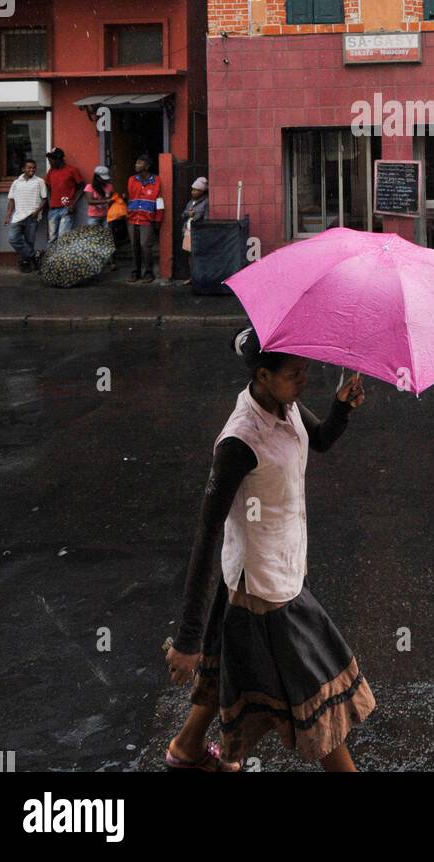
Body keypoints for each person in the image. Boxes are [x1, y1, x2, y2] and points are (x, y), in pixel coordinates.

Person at [164, 329, 375, 772]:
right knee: (318, 688)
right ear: (262, 375)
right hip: (265, 591)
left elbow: (318, 439)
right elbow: (207, 534)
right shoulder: (240, 442)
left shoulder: (286, 406)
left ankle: (185, 750)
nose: (304, 379)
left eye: (305, 370)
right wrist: (187, 638)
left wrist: (341, 407)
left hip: (282, 570)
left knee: (237, 673)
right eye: (295, 373)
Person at [4, 158, 47, 272]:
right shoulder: (16, 182)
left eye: (33, 168)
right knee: (13, 239)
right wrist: (8, 215)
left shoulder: (39, 181)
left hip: (32, 216)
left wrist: (37, 211)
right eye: (29, 168)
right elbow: (11, 200)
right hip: (18, 216)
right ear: (23, 169)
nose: (32, 170)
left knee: (29, 242)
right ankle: (35, 255)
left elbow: (44, 199)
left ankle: (26, 264)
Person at [126, 153, 162, 282]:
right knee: (134, 246)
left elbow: (159, 200)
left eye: (139, 163)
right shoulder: (132, 180)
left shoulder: (157, 180)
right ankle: (135, 272)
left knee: (145, 245)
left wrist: (158, 219)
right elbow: (131, 197)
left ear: (146, 166)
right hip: (132, 217)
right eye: (136, 162)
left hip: (147, 218)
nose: (136, 165)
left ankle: (149, 272)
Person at [44, 147, 84, 244]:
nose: (49, 162)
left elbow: (82, 187)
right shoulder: (51, 172)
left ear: (58, 159)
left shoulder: (72, 170)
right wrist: (50, 202)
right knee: (52, 237)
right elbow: (48, 186)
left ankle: (61, 259)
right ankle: (52, 259)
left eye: (51, 160)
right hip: (53, 209)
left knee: (63, 237)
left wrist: (73, 203)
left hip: (66, 208)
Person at [179, 176, 209, 283]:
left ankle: (199, 277)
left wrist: (195, 215)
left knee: (197, 255)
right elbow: (183, 215)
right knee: (189, 256)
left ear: (202, 191)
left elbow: (206, 219)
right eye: (193, 189)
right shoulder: (190, 202)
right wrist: (188, 213)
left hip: (197, 233)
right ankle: (192, 277)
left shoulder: (206, 202)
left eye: (196, 190)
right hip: (188, 231)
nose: (193, 192)